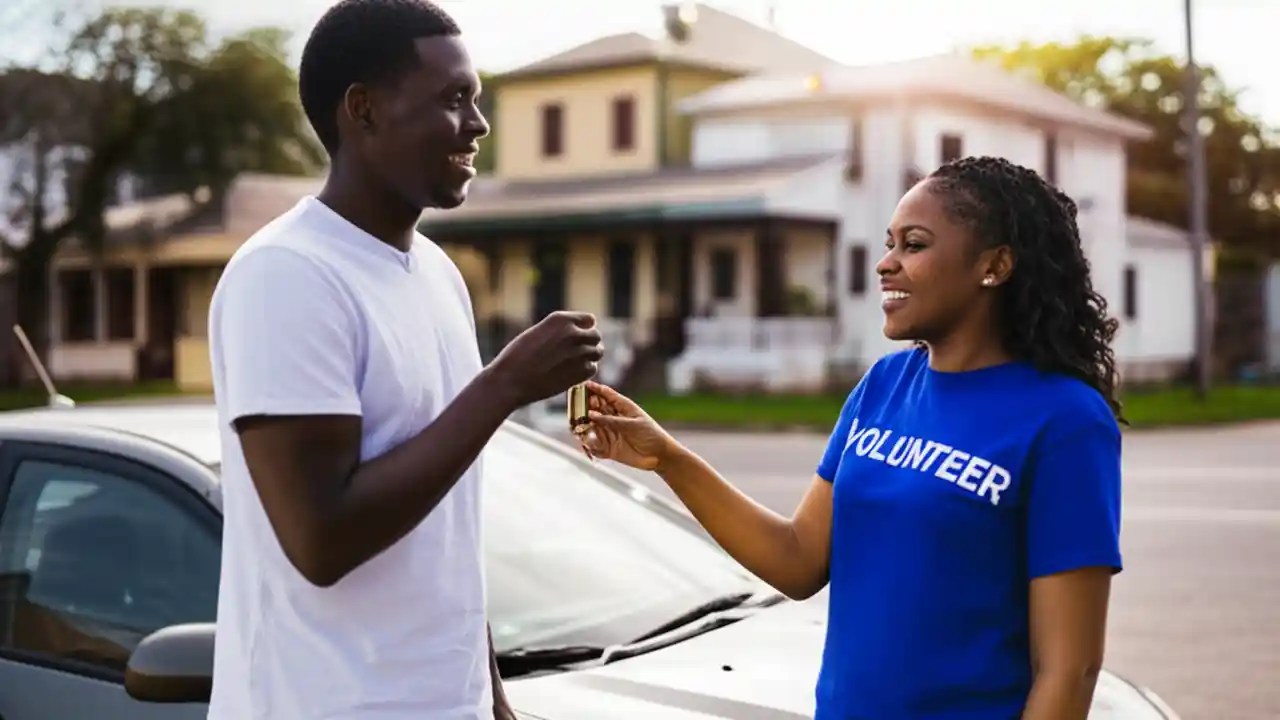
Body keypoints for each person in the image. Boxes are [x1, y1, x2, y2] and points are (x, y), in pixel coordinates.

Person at [584, 155, 1124, 719]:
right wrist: (668, 458)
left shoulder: (1065, 419)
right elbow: (798, 559)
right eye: (890, 244)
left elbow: (1069, 670)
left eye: (914, 245)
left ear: (994, 265)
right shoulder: (884, 385)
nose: (886, 264)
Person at [205, 1, 603, 718]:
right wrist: (505, 384)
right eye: (454, 99)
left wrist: (492, 699)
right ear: (363, 109)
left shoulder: (438, 274)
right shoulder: (287, 274)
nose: (478, 125)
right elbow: (321, 540)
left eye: (476, 100)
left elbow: (446, 529)